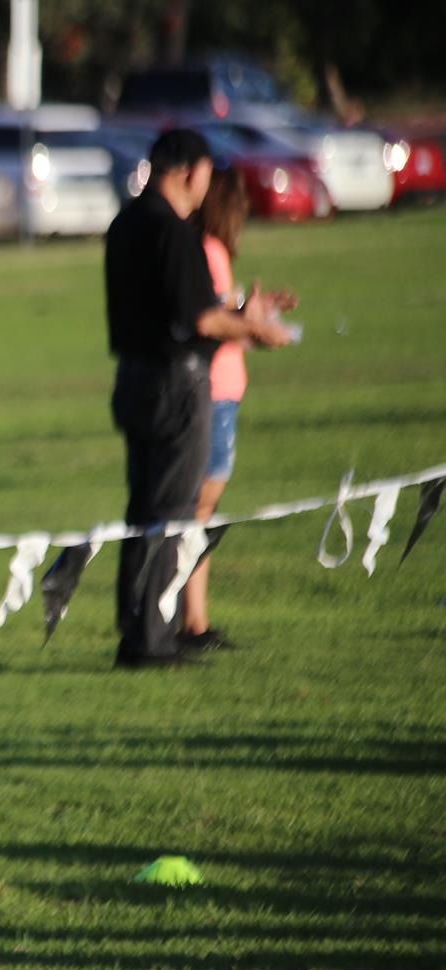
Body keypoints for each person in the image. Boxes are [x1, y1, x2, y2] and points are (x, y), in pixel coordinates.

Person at [102, 128, 294, 668]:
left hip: (133, 380)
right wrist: (254, 331)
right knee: (173, 513)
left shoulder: (125, 224)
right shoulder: (174, 230)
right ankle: (154, 641)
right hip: (177, 385)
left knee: (142, 511)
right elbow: (198, 317)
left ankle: (135, 631)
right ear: (189, 170)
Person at [183, 167, 295, 651]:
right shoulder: (207, 251)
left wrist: (254, 309)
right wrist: (253, 325)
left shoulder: (211, 253)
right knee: (194, 513)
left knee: (199, 514)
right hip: (212, 394)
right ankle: (185, 622)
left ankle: (194, 621)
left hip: (223, 392)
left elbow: (224, 312)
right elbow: (209, 321)